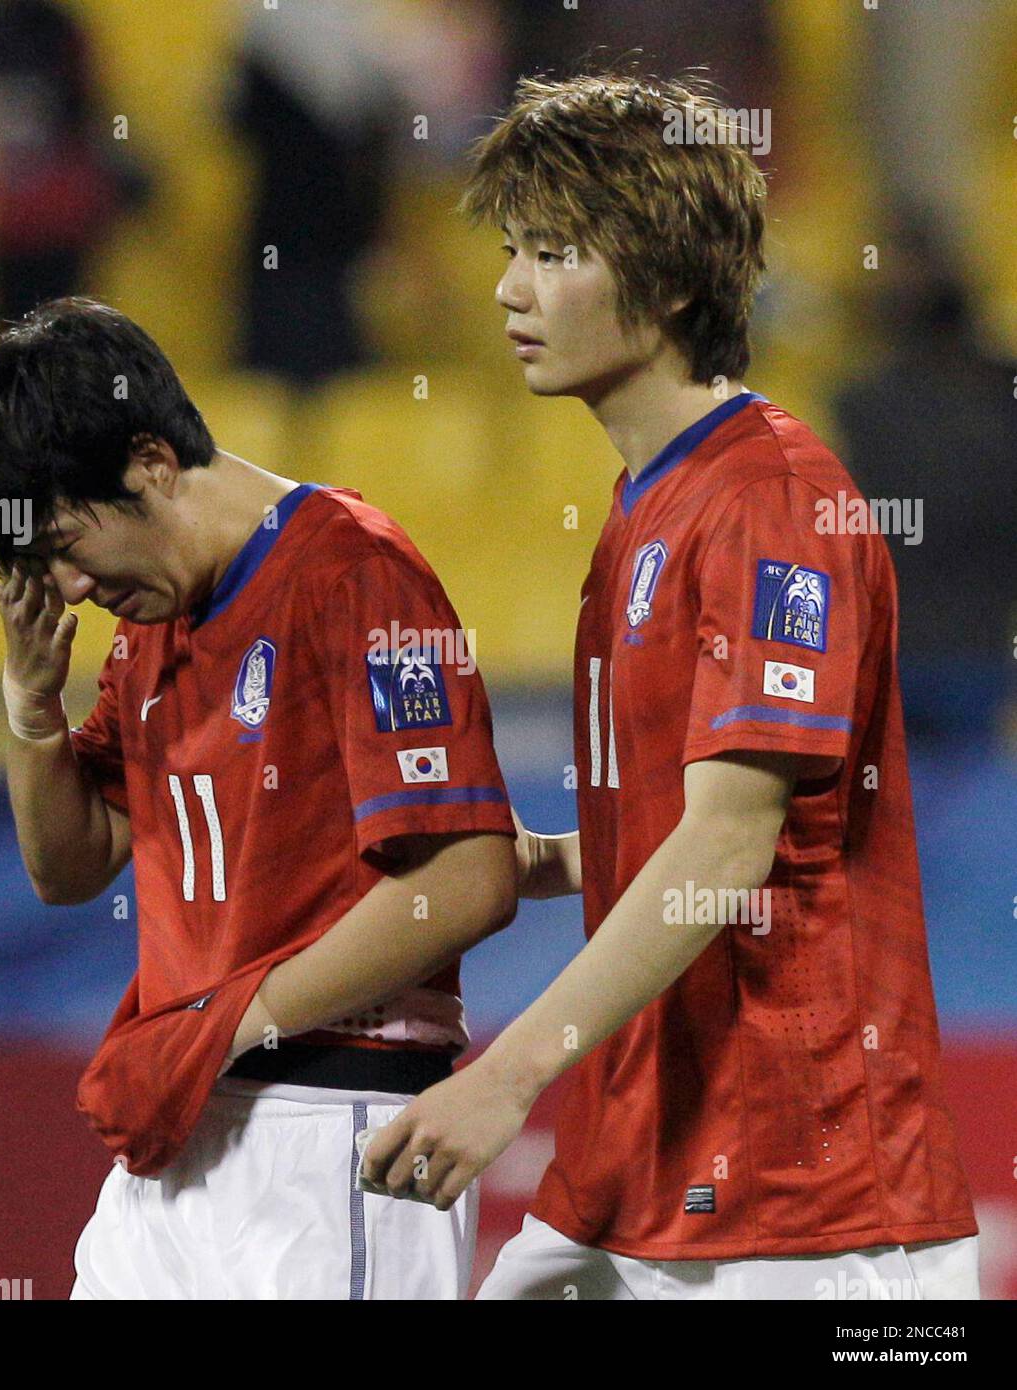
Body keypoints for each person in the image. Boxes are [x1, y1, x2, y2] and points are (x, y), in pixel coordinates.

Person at [362, 72, 980, 1301]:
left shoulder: (769, 502)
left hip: (806, 1205)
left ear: (675, 279)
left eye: (553, 252)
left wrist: (506, 1069)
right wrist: (532, 859)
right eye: (510, 250)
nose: (509, 290)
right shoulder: (653, 502)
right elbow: (699, 826)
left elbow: (734, 842)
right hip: (642, 1165)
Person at [0, 297, 517, 1299]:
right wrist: (33, 709)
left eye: (69, 542)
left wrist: (223, 1023)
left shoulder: (356, 573)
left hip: (336, 1127)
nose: (69, 588)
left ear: (153, 461)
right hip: (177, 1140)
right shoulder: (152, 617)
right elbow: (69, 869)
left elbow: (465, 878)